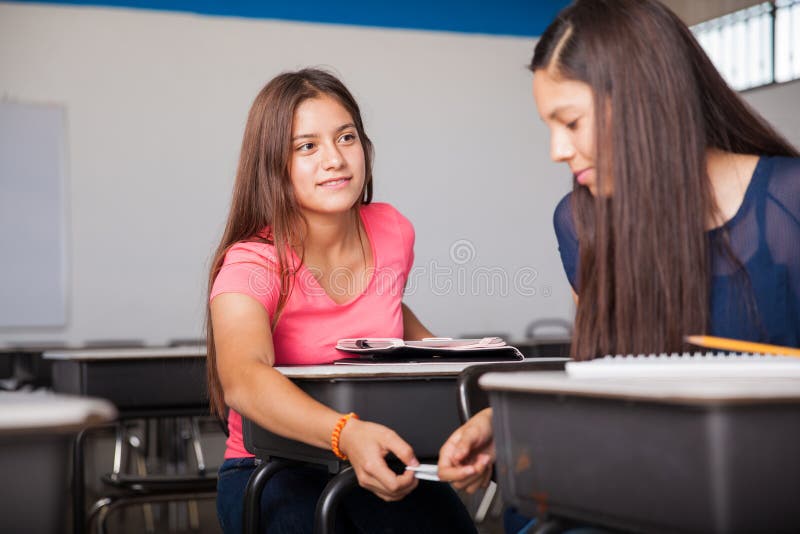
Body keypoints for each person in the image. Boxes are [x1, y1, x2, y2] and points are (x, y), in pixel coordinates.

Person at [438, 0, 800, 530]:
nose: (557, 150)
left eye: (571, 122)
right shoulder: (583, 221)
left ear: (647, 100)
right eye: (550, 126)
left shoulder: (788, 203)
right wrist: (509, 423)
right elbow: (601, 374)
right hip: (640, 485)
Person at [207, 68, 476, 534]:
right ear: (273, 163)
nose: (335, 159)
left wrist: (458, 378)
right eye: (307, 146)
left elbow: (389, 310)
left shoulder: (392, 230)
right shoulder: (251, 261)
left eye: (346, 137)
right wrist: (344, 434)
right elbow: (243, 379)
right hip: (271, 466)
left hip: (378, 454)